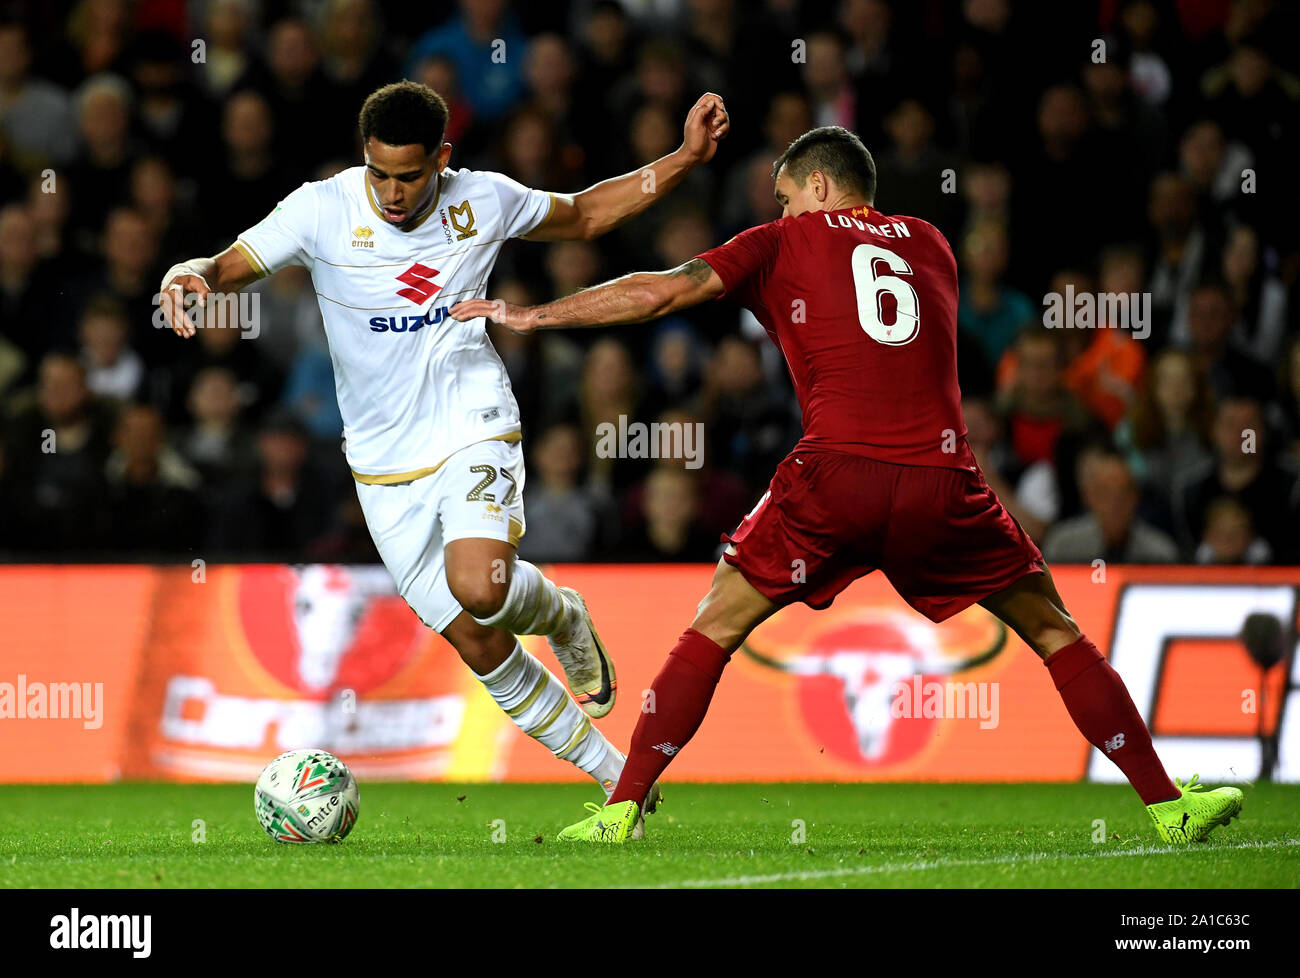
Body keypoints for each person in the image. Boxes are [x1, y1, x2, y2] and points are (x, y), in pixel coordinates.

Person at [453, 125, 1243, 846]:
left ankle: (621, 808)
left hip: (835, 476)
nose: (785, 209)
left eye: (789, 195)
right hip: (943, 479)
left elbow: (657, 290)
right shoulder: (933, 243)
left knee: (713, 627)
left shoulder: (779, 242)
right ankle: (1167, 805)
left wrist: (536, 315)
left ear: (819, 188)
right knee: (1055, 632)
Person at [157, 80, 731, 828]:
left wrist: (683, 159)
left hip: (470, 418)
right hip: (381, 463)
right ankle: (617, 774)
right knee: (478, 638)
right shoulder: (322, 208)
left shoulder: (483, 200)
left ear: (442, 160)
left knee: (482, 586)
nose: (392, 194)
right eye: (380, 174)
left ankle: (556, 612)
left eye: (409, 175)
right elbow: (229, 264)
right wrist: (187, 274)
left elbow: (587, 214)